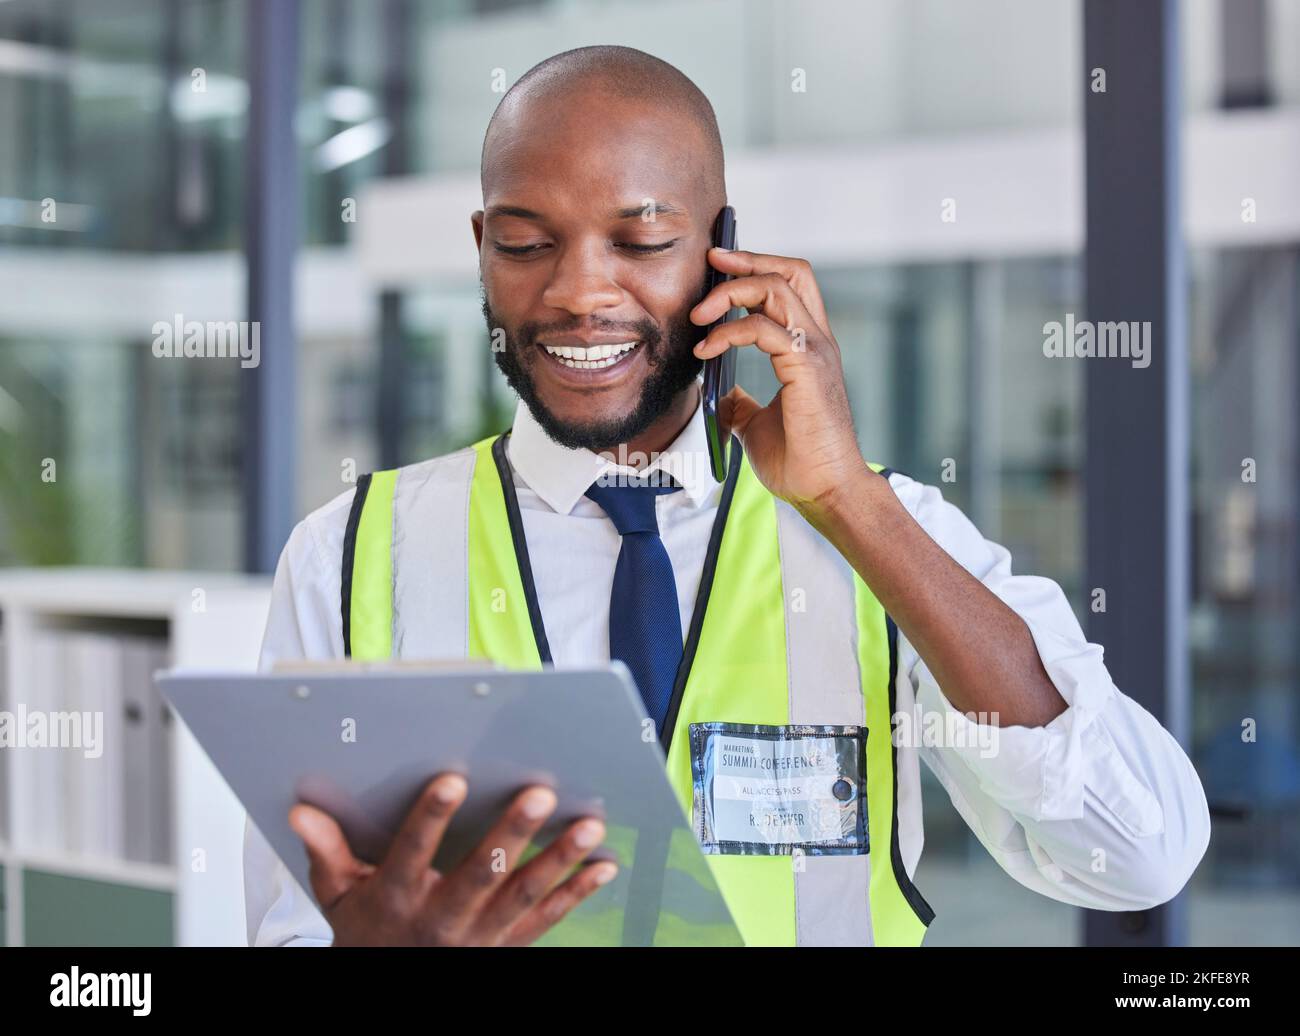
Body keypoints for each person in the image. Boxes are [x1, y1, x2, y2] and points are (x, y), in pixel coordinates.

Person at [244, 45, 1210, 947]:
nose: (581, 291)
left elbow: (1139, 854)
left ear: (724, 249)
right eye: (527, 243)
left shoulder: (879, 537)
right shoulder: (351, 553)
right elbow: (287, 925)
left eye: (643, 238)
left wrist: (851, 502)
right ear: (482, 249)